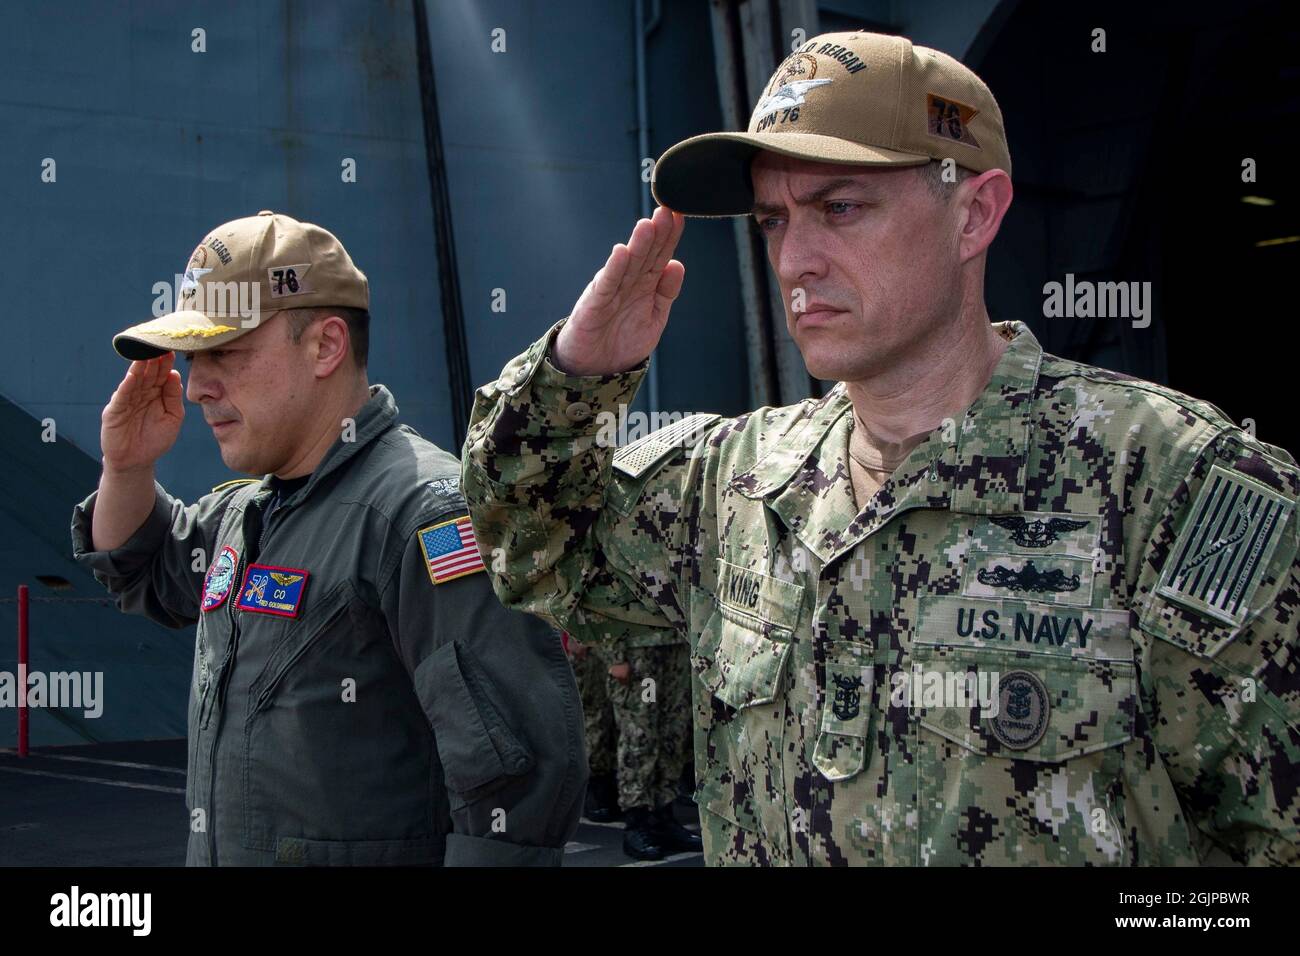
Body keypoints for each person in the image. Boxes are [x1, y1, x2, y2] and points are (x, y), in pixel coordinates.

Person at [461, 31, 1300, 865]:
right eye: (772, 220)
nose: (794, 259)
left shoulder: (1173, 485)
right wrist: (575, 374)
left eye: (840, 208)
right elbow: (533, 552)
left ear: (973, 213)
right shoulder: (735, 483)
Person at [71, 211, 585, 866]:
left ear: (324, 346)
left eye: (225, 351)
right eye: (192, 358)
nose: (197, 386)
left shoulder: (421, 516)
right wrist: (127, 467)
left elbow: (515, 796)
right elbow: (140, 566)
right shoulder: (251, 512)